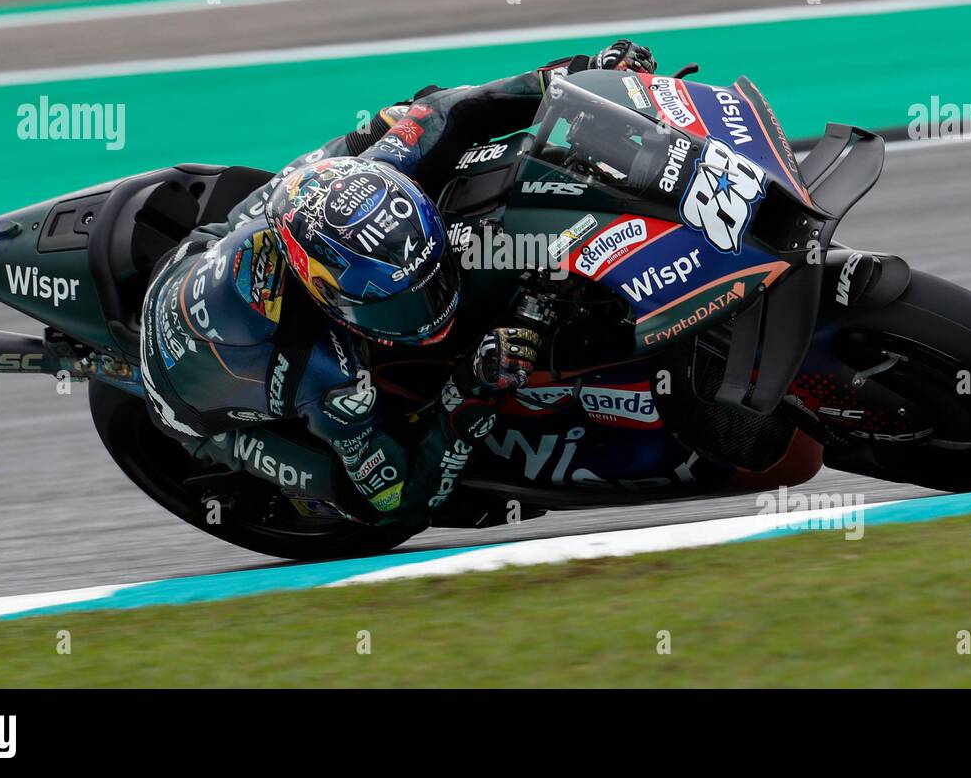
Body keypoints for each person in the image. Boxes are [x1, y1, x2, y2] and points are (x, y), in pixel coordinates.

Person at [138, 39, 658, 534]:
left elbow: (451, 111)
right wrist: (471, 390)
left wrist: (579, 76)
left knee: (413, 110)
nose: (427, 310)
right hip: (187, 398)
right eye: (400, 303)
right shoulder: (325, 374)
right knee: (363, 499)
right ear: (329, 298)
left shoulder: (382, 170)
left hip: (223, 237)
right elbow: (399, 504)